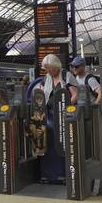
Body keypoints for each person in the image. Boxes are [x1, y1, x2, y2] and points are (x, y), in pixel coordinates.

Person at [35, 54, 77, 183]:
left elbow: (75, 94)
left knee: (62, 143)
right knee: (48, 143)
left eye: (50, 68)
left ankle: (62, 173)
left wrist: (67, 109)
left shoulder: (66, 76)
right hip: (48, 115)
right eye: (46, 69)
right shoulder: (46, 78)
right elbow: (40, 93)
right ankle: (48, 174)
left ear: (56, 66)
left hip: (62, 114)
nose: (48, 71)